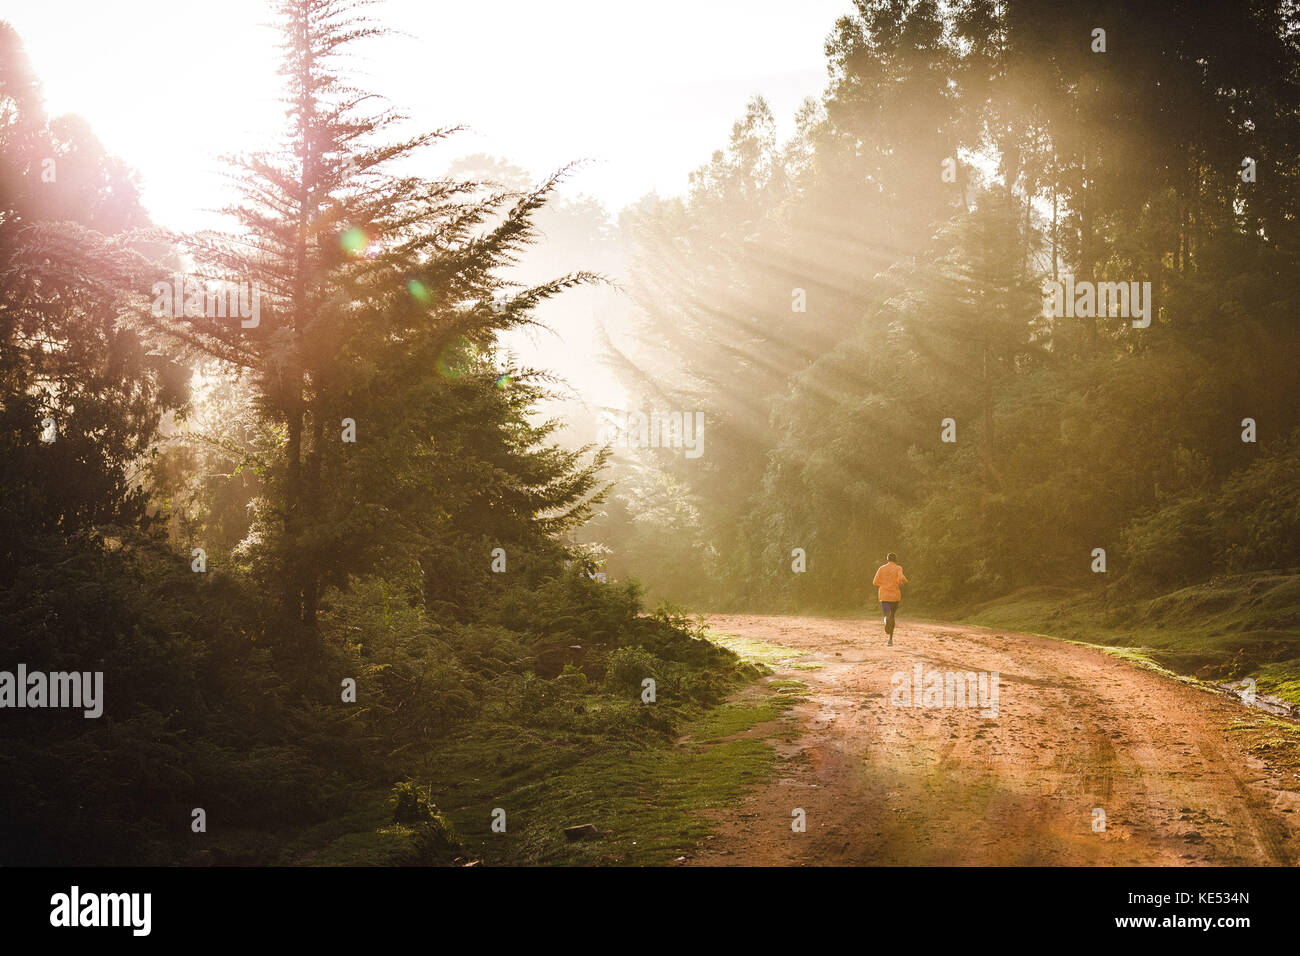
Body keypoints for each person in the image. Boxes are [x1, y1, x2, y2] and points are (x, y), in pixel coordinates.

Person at [872, 553, 907, 645]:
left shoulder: (881, 568)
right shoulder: (898, 568)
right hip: (895, 596)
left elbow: (875, 582)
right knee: (892, 616)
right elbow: (900, 578)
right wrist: (902, 581)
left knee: (886, 614)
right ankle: (890, 639)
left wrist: (884, 584)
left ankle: (885, 621)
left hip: (884, 595)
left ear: (887, 559)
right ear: (896, 560)